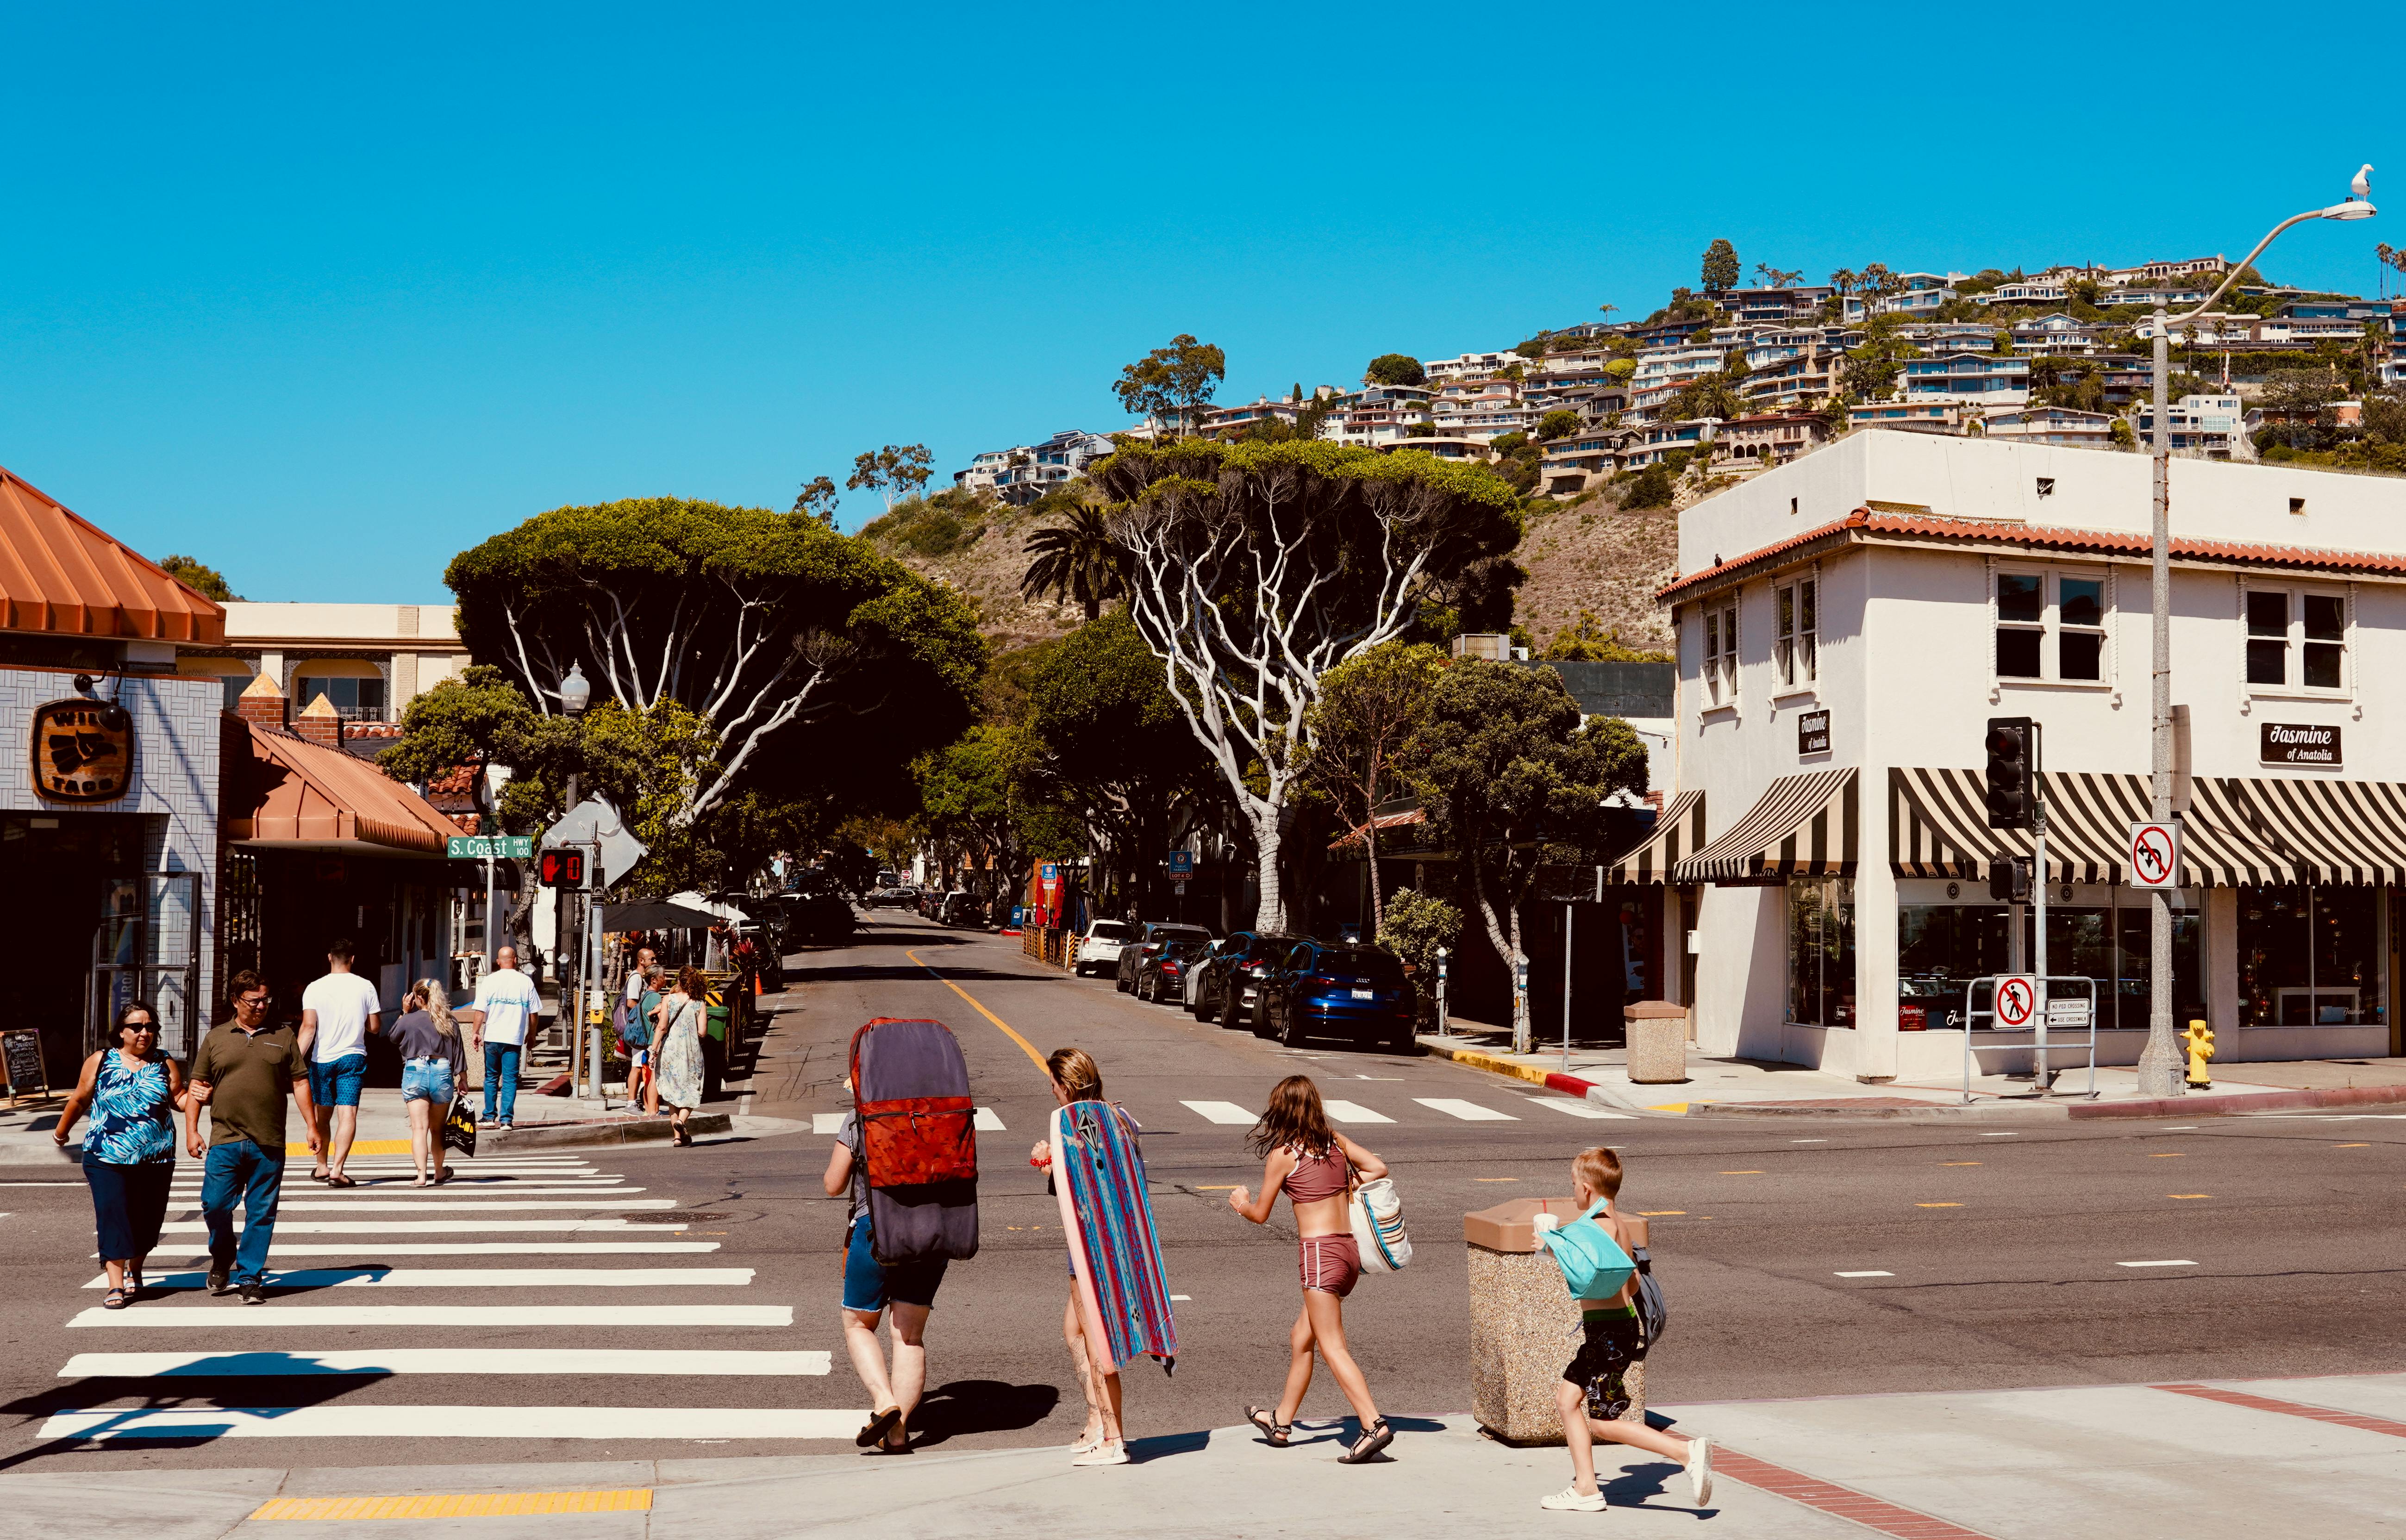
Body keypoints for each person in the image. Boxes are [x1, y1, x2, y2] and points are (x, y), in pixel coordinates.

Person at [1226, 1074, 1395, 1464]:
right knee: (1301, 1337)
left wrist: (1240, 1202)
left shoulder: (1285, 1154)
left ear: (1282, 1110)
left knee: (1332, 1345)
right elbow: (1378, 1168)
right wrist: (1347, 1184)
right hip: (1348, 1253)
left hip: (1319, 1255)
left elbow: (1260, 1214)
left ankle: (1373, 1424)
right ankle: (1281, 1423)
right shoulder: (1334, 1141)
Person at [1542, 1146, 1712, 1514]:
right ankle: (1585, 1488)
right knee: (1567, 1400)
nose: (1571, 1191)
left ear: (1587, 1188)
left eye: (1573, 1184)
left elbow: (1587, 1276)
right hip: (1612, 1330)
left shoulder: (1596, 1225)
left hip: (1606, 1335)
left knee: (1603, 1423)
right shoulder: (1619, 1225)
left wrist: (1552, 1249)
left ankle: (1685, 1452)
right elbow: (1632, 1282)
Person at [822, 1066, 946, 1454]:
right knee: (908, 1335)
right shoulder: (940, 1116)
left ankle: (884, 1402)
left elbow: (832, 1184)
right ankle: (898, 1431)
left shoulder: (861, 1118)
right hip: (931, 1233)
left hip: (876, 1231)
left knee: (858, 1322)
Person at [1029, 1046, 1137, 1468]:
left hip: (1091, 1243)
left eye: (1053, 1084)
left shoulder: (1079, 1124)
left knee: (1097, 1344)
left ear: (1067, 1085)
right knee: (1073, 1330)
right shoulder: (1116, 1117)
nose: (1051, 1091)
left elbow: (1085, 1185)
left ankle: (1113, 1438)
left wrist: (1047, 1166)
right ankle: (1096, 1420)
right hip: (1108, 1239)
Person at [184, 972, 321, 1303]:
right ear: (235, 1000)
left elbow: (300, 1082)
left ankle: (249, 1277)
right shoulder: (216, 1037)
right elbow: (197, 1087)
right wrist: (192, 1129)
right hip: (225, 1138)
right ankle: (222, 1254)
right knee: (214, 1204)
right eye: (253, 1000)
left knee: (261, 1212)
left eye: (265, 999)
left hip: (269, 1140)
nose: (261, 1006)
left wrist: (312, 1125)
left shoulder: (283, 1035)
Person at [54, 1004, 184, 1308]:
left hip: (156, 1157)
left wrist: (200, 1096)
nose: (145, 1032)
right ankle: (115, 1283)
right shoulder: (101, 1060)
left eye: (150, 1026)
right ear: (121, 1031)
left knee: (148, 1221)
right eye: (137, 1027)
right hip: (105, 1155)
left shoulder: (164, 1062)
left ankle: (135, 1270)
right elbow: (80, 1097)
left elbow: (178, 1097)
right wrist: (62, 1132)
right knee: (113, 1215)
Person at [297, 938, 382, 1186]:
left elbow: (308, 1028)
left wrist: (292, 1061)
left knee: (322, 1117)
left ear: (329, 958)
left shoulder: (314, 988)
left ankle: (321, 1167)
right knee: (348, 1115)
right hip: (352, 1058)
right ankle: (338, 1170)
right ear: (352, 960)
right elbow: (375, 1028)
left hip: (321, 1059)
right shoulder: (366, 987)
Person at [390, 979, 468, 1186]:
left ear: (417, 998)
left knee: (419, 1128)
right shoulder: (448, 1020)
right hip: (442, 1070)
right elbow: (459, 1051)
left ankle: (421, 1175)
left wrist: (404, 1012)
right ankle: (440, 1171)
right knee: (438, 1128)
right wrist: (463, 1079)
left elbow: (393, 1037)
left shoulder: (410, 1019)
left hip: (415, 1069)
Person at [465, 945, 540, 1129]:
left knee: (491, 1077)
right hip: (513, 1038)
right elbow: (534, 1013)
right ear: (515, 961)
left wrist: (476, 1032)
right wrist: (532, 1034)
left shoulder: (490, 981)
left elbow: (480, 1010)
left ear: (498, 962)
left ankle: (489, 1116)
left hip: (493, 1036)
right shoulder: (526, 982)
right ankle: (506, 1120)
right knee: (510, 1079)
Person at [651, 966, 707, 1146]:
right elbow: (703, 1032)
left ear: (679, 982)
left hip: (670, 1051)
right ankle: (681, 1122)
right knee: (692, 1088)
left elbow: (662, 1027)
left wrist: (653, 1050)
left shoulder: (668, 999)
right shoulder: (699, 1003)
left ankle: (677, 1138)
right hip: (691, 1052)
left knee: (672, 1093)